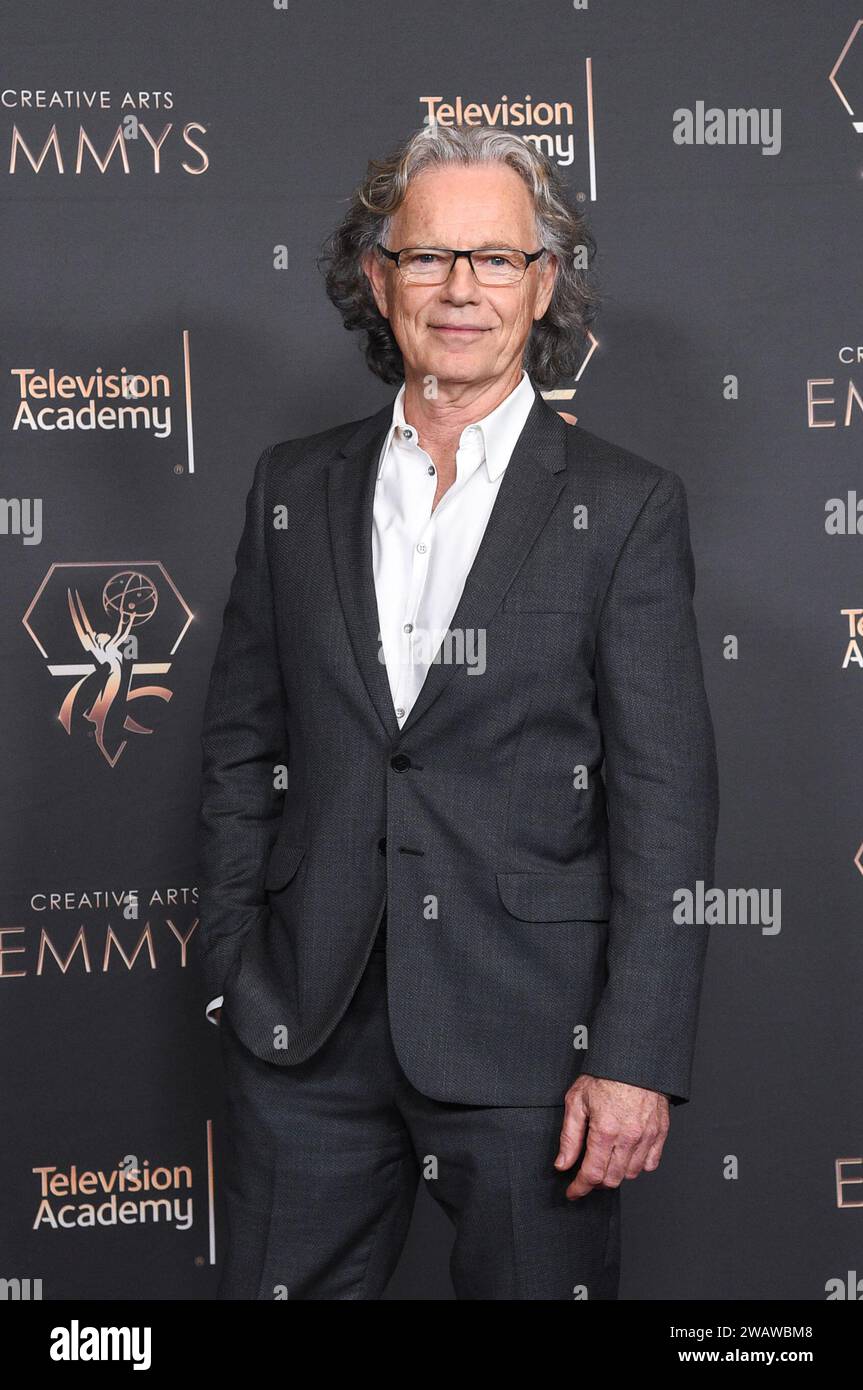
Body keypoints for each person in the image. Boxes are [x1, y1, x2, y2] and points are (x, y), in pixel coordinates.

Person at [198, 123, 719, 1300]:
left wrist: (632, 1054)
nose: (459, 290)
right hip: (306, 1027)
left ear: (543, 285)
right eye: (428, 258)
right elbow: (242, 746)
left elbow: (664, 800)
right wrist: (237, 958)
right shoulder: (294, 485)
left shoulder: (624, 507)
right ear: (378, 279)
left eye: (494, 260)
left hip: (532, 1039)